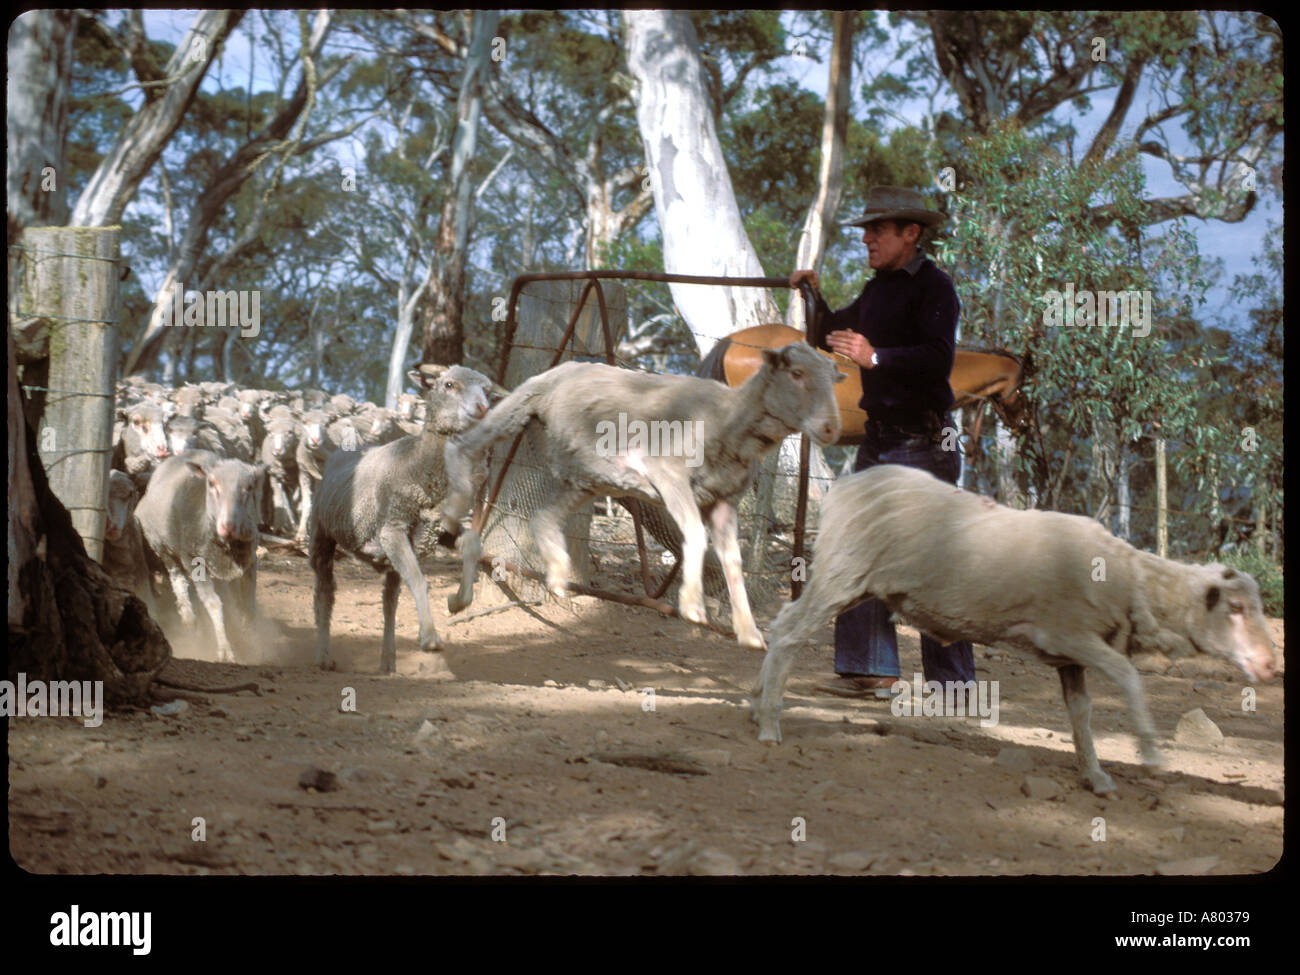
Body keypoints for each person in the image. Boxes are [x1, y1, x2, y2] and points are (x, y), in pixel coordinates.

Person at [790, 185, 975, 698]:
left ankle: (953, 687)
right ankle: (870, 670)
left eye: (877, 230)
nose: (866, 239)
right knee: (854, 547)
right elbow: (830, 333)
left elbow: (938, 358)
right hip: (880, 441)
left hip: (924, 443)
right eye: (866, 230)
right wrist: (814, 295)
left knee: (931, 563)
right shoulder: (877, 290)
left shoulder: (936, 288)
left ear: (910, 234)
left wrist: (877, 359)